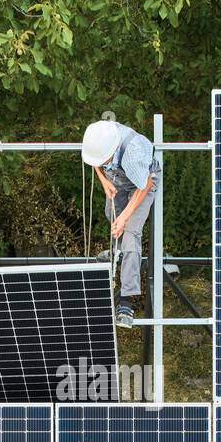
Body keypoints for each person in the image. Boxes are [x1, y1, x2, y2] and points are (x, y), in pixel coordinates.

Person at [81, 119, 161, 328]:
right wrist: (104, 180)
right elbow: (95, 162)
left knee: (131, 231)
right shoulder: (97, 136)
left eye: (105, 160)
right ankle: (120, 254)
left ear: (113, 149)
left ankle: (126, 301)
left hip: (143, 183)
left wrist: (125, 217)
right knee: (111, 215)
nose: (102, 163)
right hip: (117, 180)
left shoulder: (133, 152)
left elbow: (145, 185)